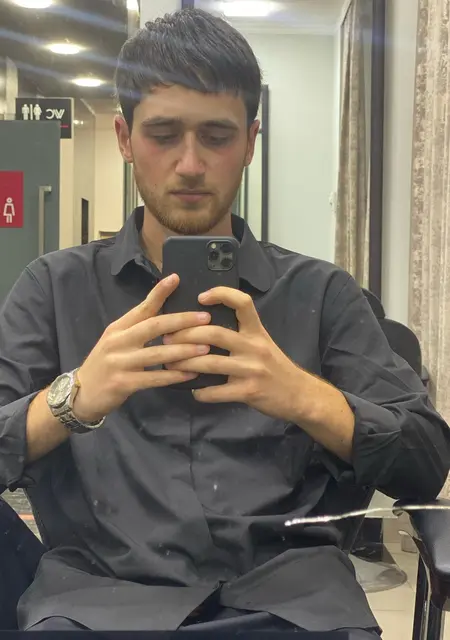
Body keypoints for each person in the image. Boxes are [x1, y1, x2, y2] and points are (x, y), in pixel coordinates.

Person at [0, 8, 449, 637]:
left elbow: (425, 460)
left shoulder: (322, 294)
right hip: (97, 605)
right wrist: (73, 398)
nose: (190, 164)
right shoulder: (53, 289)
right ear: (125, 138)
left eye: (216, 136)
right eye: (163, 135)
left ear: (250, 142)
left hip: (290, 606)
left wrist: (303, 396)